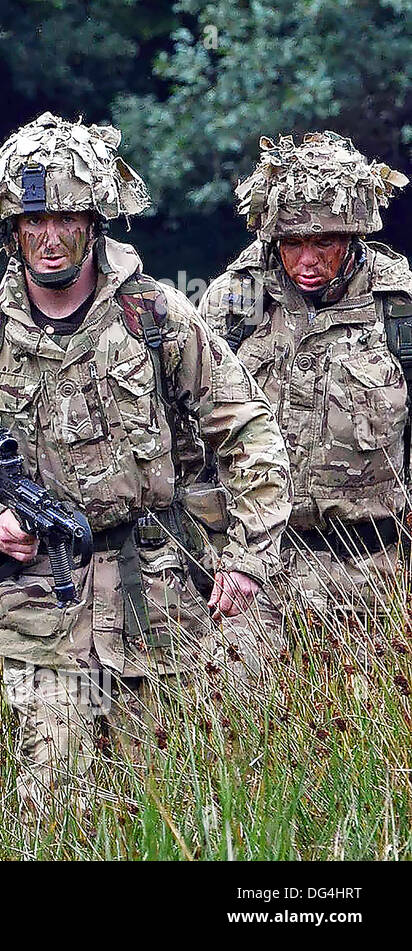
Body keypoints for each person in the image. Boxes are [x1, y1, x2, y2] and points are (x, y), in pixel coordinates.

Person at [0, 113, 291, 813]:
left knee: (159, 802)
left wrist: (246, 557)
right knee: (51, 795)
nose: (51, 238)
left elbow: (247, 431)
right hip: (38, 597)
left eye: (68, 219)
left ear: (95, 223)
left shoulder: (155, 316)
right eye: (35, 221)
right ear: (12, 229)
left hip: (157, 593)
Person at [201, 132, 411, 676]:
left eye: (326, 242)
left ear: (356, 234)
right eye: (293, 243)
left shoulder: (399, 310)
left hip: (376, 572)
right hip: (255, 568)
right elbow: (188, 432)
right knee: (242, 728)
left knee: (370, 740)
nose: (307, 260)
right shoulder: (234, 305)